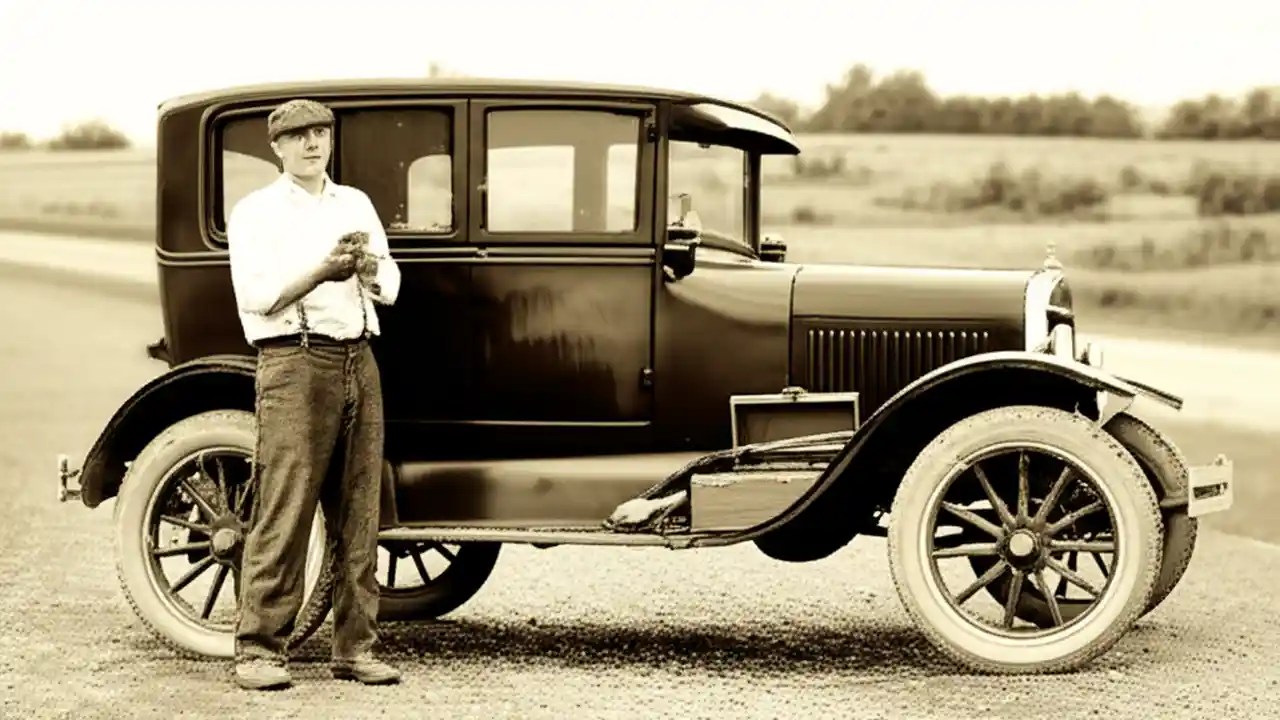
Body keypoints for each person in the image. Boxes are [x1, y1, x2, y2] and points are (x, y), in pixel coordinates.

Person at [226, 98, 403, 691]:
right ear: (275, 147)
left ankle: (355, 649)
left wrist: (368, 267)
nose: (311, 143)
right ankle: (258, 652)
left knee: (360, 513)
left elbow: (393, 287)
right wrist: (323, 270)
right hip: (294, 361)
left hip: (359, 357)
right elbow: (258, 295)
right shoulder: (255, 212)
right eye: (297, 135)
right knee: (286, 506)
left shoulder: (354, 203)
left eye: (320, 132)